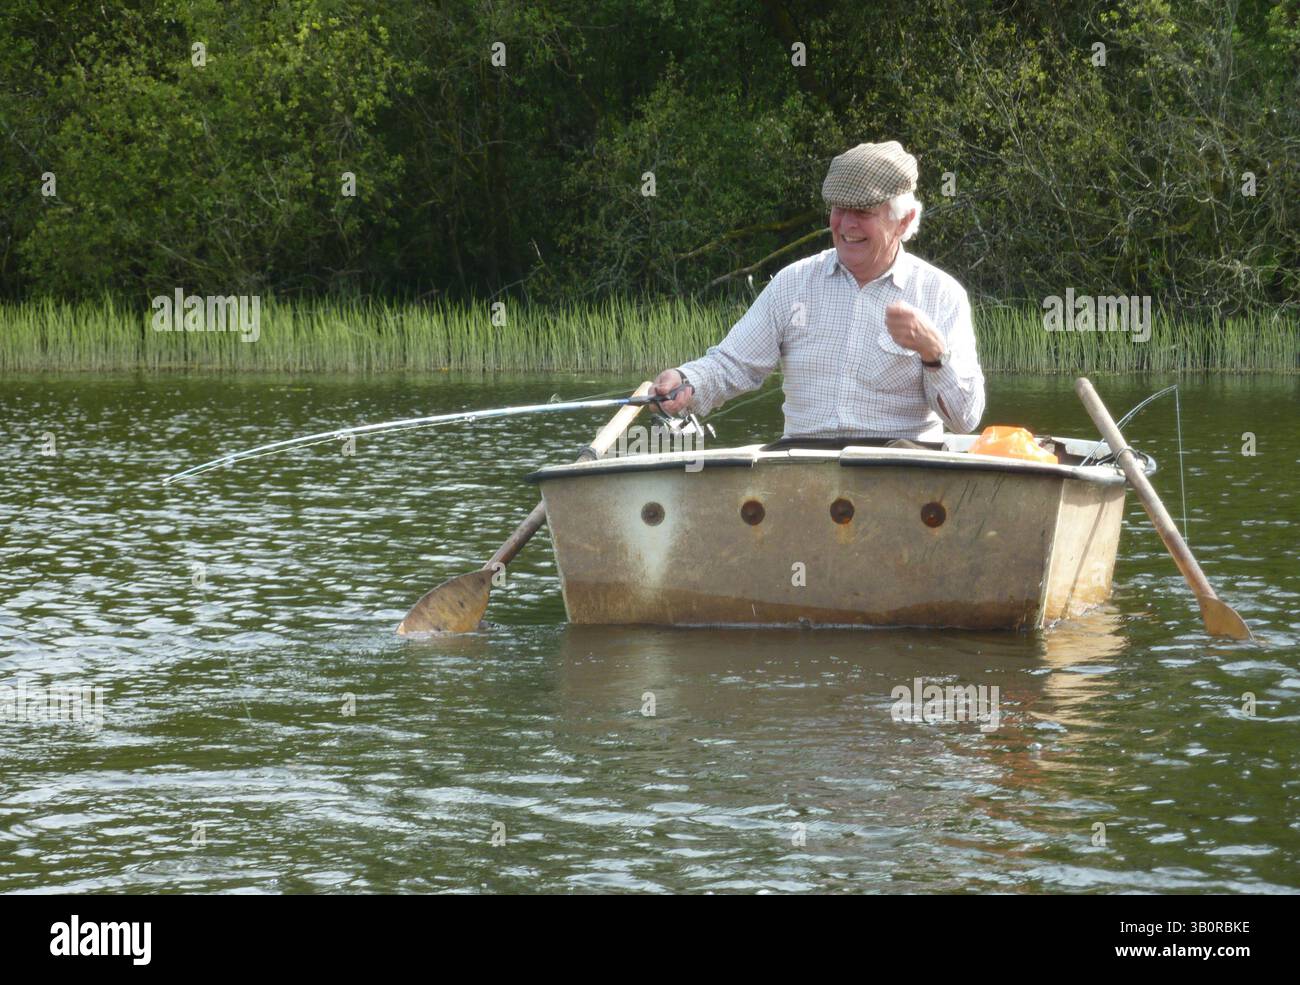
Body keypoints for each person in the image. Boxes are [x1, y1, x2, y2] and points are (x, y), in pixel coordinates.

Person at [654, 140, 984, 444]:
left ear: (903, 221)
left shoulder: (941, 295)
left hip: (900, 472)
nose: (847, 225)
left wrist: (933, 352)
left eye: (864, 212)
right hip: (805, 470)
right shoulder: (792, 283)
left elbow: (964, 420)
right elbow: (732, 365)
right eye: (839, 209)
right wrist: (687, 380)